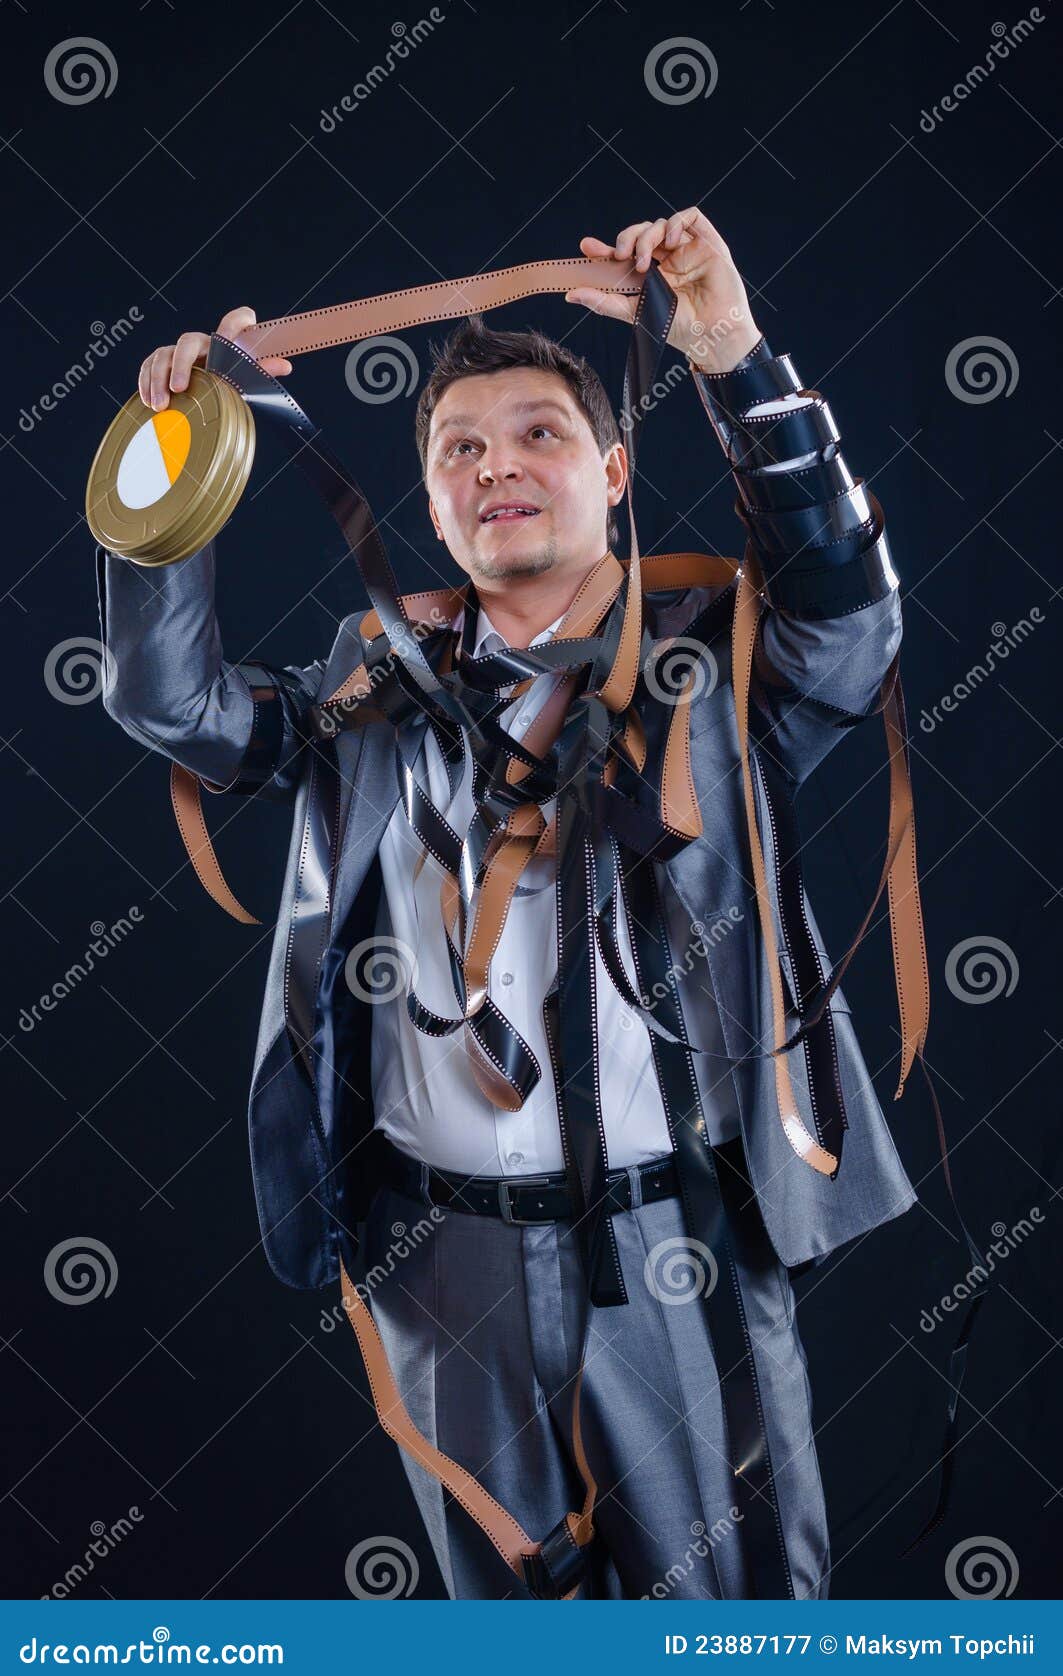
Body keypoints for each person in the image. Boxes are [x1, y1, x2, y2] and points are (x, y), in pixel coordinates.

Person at [98, 208, 915, 1600]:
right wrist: (172, 463)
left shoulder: (708, 674)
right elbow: (167, 702)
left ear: (610, 467)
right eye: (459, 450)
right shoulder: (369, 693)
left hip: (676, 1245)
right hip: (438, 1261)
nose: (497, 466)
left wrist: (733, 356)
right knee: (508, 1637)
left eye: (537, 433)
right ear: (430, 503)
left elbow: (848, 622)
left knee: (731, 1627)